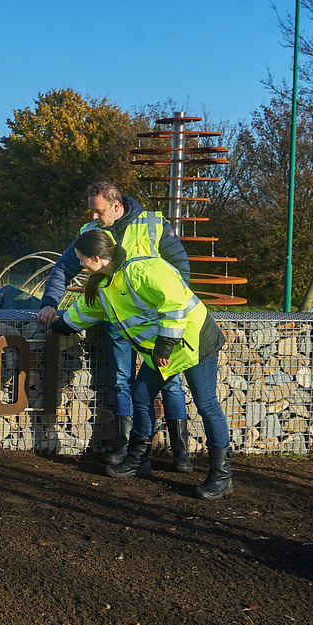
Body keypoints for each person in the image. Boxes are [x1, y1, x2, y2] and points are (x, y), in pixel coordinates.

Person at [47, 228, 232, 499]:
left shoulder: (142, 269)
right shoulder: (106, 282)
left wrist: (165, 345)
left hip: (194, 341)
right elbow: (88, 310)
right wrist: (60, 326)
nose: (81, 265)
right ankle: (137, 460)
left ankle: (222, 476)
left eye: (83, 260)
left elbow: (176, 302)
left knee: (206, 404)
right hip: (163, 350)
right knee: (140, 395)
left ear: (97, 258)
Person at [36, 182, 194, 472]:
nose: (94, 217)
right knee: (122, 381)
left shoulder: (154, 224)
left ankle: (180, 453)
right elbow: (63, 268)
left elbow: (180, 269)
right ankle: (127, 449)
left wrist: (168, 317)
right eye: (92, 211)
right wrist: (50, 303)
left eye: (99, 211)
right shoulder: (89, 232)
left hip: (155, 324)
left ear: (116, 206)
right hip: (116, 321)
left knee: (170, 382)